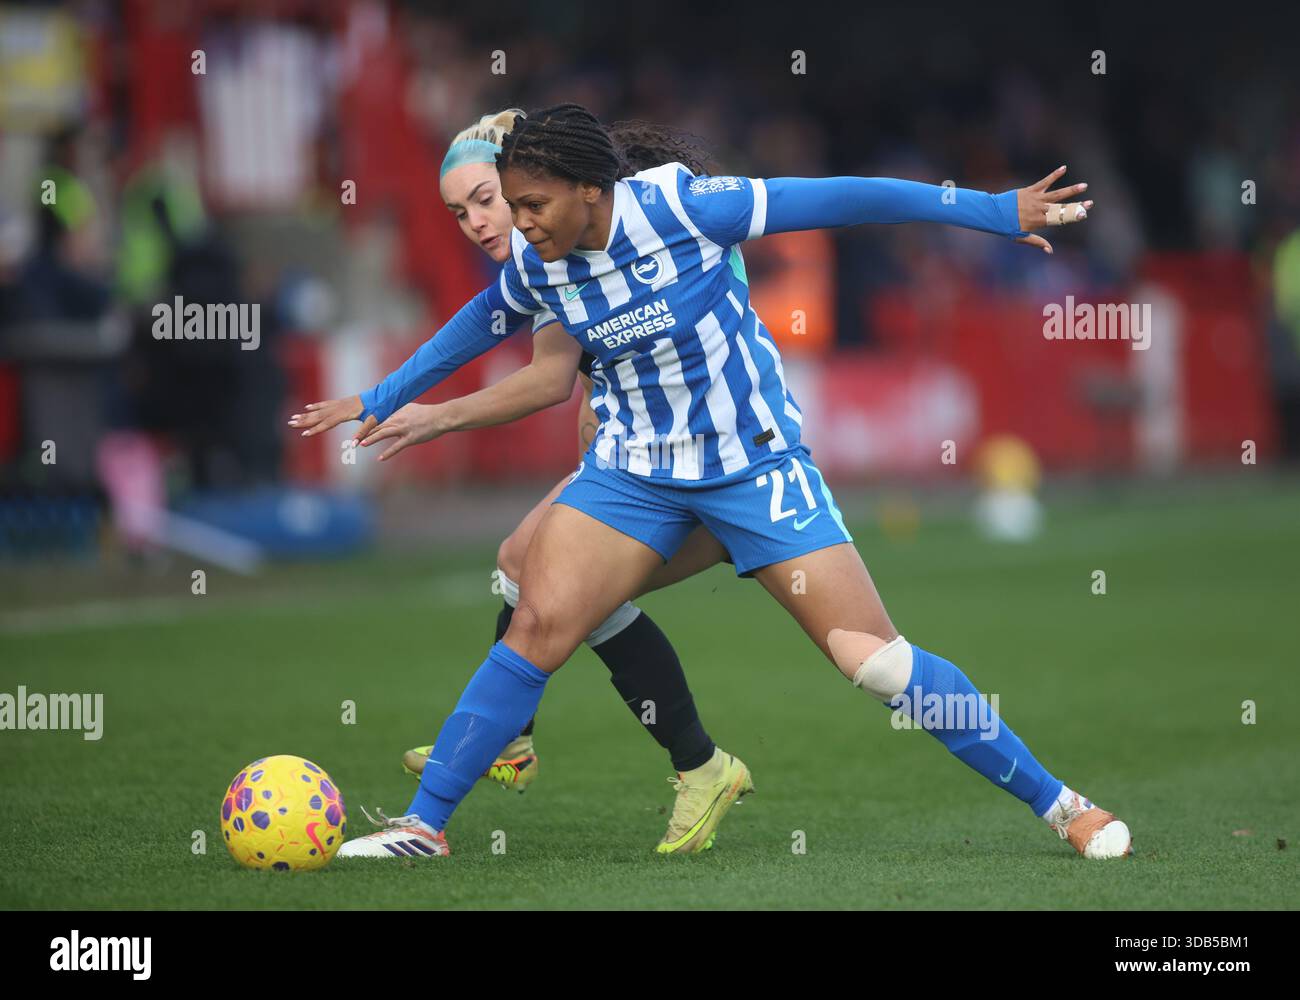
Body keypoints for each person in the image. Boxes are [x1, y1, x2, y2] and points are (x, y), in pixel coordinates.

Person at [294, 103, 1129, 862]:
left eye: (531, 205)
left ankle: (1064, 806)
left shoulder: (685, 208)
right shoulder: (537, 260)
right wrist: (381, 397)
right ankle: (423, 827)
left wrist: (992, 212)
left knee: (876, 664)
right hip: (636, 475)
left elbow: (846, 199)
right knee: (537, 614)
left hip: (754, 469)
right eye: (508, 206)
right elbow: (477, 325)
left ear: (590, 190)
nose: (519, 223)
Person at [346, 110, 748, 854]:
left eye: (487, 200)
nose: (477, 221)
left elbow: (548, 380)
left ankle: (533, 750)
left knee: (547, 578)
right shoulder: (555, 256)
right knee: (543, 577)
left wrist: (435, 416)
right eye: (459, 211)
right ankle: (665, 760)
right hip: (649, 459)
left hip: (707, 460)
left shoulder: (574, 249)